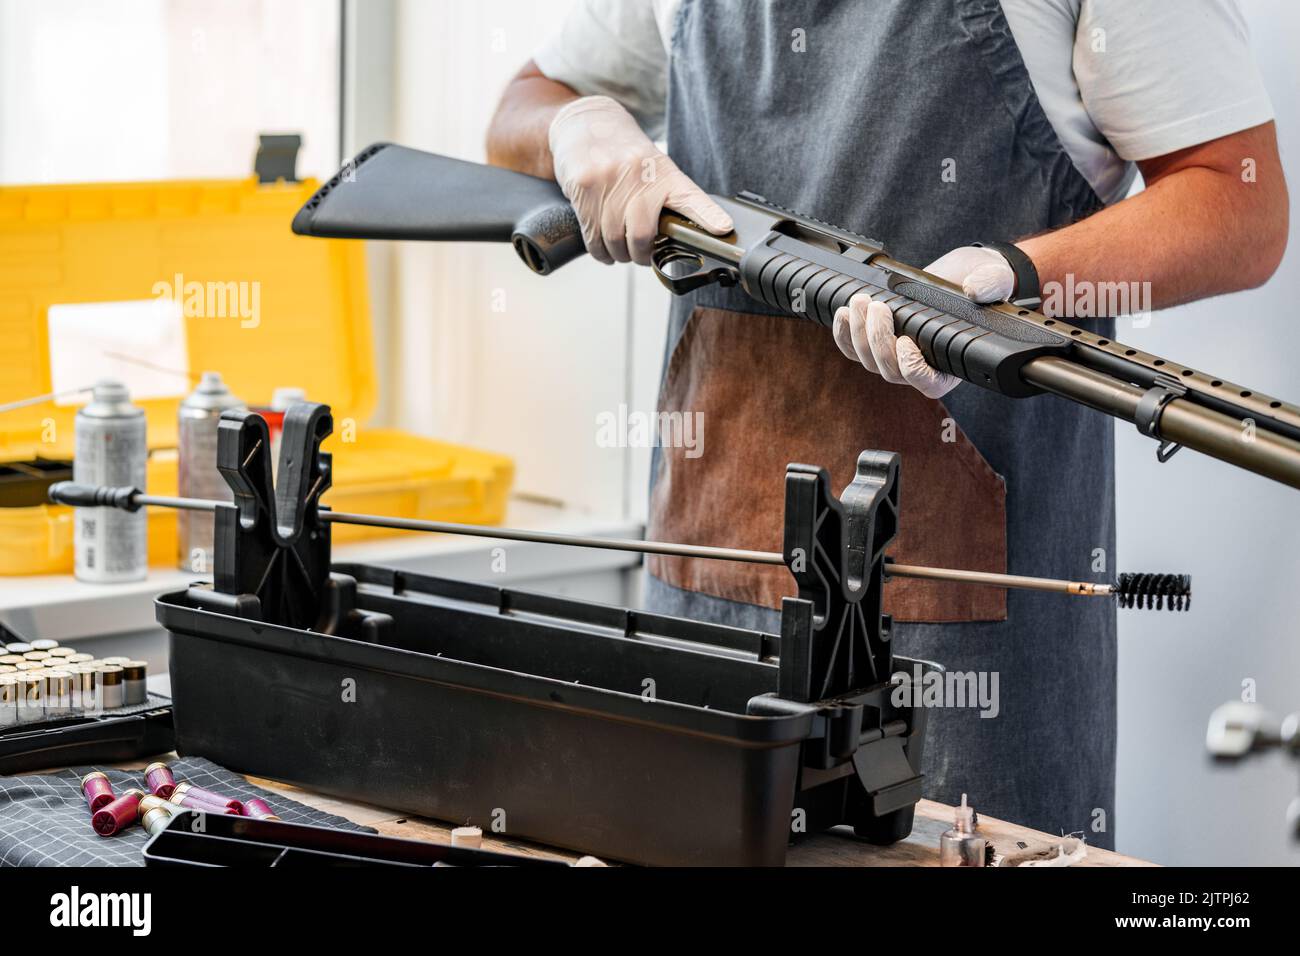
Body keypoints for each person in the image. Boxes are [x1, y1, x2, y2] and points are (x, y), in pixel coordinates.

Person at [486, 0, 1287, 847]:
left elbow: (1241, 207)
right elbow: (519, 108)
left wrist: (1017, 277)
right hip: (707, 569)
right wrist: (577, 125)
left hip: (961, 646)